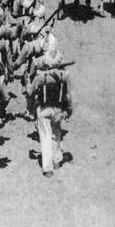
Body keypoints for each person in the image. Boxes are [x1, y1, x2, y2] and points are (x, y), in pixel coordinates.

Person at [29, 47, 72, 177]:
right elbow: (68, 97)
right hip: (58, 109)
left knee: (45, 137)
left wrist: (31, 110)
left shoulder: (40, 77)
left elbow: (31, 93)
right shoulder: (65, 76)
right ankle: (57, 160)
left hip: (43, 109)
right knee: (56, 135)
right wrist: (67, 111)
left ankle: (48, 168)